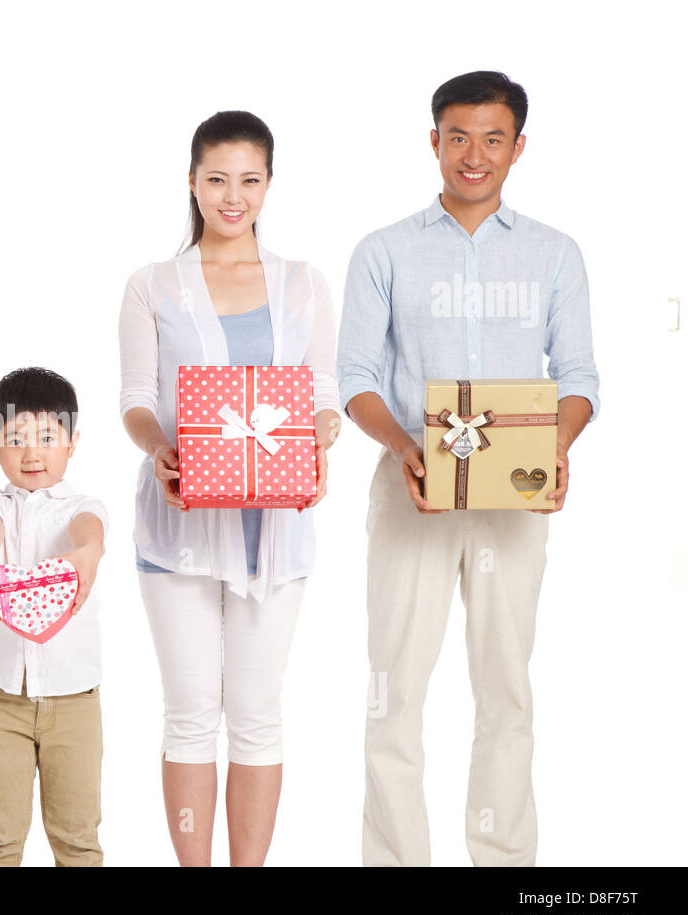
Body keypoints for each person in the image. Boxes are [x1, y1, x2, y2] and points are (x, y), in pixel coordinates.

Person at [336, 71, 600, 866]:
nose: (473, 155)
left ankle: (504, 864)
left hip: (515, 493)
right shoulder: (383, 250)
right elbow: (355, 377)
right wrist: (407, 450)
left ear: (518, 146)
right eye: (458, 137)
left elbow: (581, 376)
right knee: (395, 690)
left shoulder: (556, 253)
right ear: (434, 142)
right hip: (411, 486)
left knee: (506, 689)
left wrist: (553, 449)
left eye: (492, 138)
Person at [118, 111, 341, 866]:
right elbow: (136, 398)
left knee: (256, 715)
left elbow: (322, 393)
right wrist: (160, 452)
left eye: (249, 180)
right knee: (188, 715)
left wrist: (323, 433)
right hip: (178, 527)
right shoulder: (152, 285)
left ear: (270, 185)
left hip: (274, 529)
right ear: (191, 182)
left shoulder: (303, 283)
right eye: (217, 179)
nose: (232, 196)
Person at [0, 368, 107, 866]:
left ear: (73, 441)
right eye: (14, 439)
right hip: (0, 700)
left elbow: (90, 536)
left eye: (46, 437)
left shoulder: (84, 506)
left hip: (74, 700)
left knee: (78, 836)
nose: (32, 453)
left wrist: (86, 557)